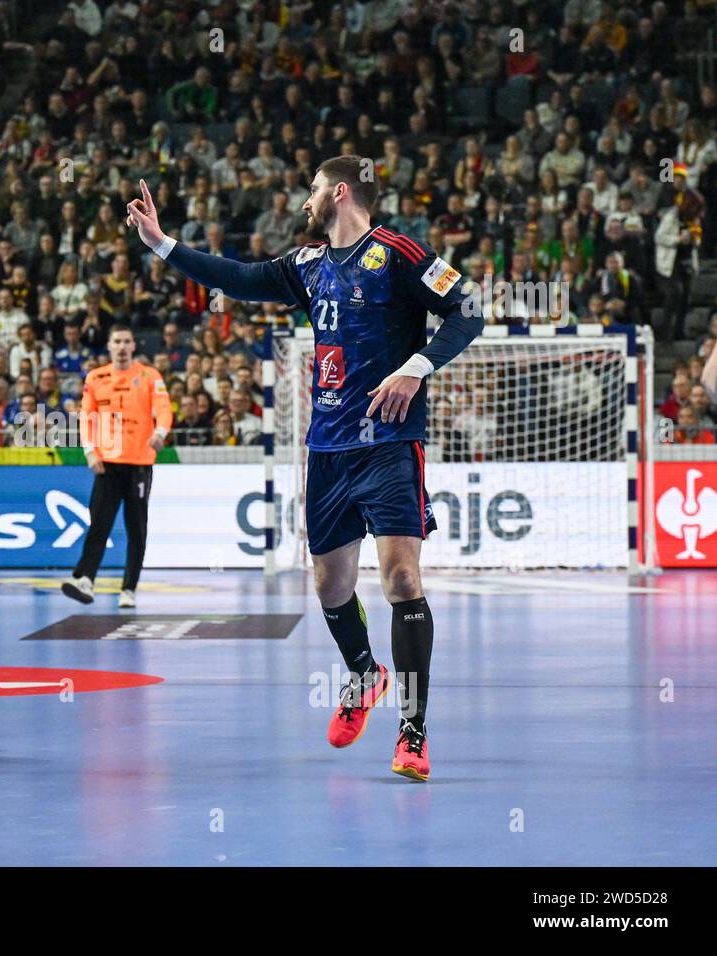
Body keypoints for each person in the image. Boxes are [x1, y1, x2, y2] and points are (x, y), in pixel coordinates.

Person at [123, 159, 484, 782]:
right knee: (331, 588)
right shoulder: (306, 264)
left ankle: (414, 732)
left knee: (401, 580)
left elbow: (471, 307)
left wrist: (415, 368)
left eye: (314, 189)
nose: (306, 200)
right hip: (327, 449)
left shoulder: (398, 252)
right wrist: (162, 244)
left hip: (391, 444)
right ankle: (365, 674)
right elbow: (235, 277)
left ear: (339, 192)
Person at [61, 324, 172, 609]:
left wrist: (160, 433)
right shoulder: (96, 377)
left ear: (133, 346)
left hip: (139, 463)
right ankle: (85, 579)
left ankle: (129, 588)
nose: (122, 346)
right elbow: (87, 417)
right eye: (117, 342)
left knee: (136, 528)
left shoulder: (149, 376)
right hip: (107, 462)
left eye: (126, 341)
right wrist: (89, 451)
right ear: (109, 347)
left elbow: (163, 408)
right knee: (100, 522)